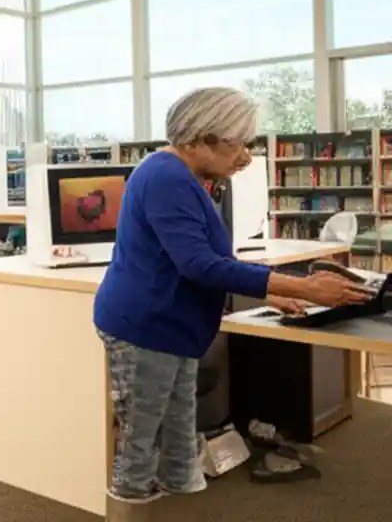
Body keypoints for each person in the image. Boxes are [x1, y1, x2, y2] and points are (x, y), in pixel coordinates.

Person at [93, 87, 373, 504]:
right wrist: (302, 286)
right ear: (200, 139)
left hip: (170, 328)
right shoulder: (166, 177)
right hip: (145, 327)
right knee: (142, 436)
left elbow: (204, 258)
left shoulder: (186, 177)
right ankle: (134, 505)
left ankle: (179, 496)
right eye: (236, 144)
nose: (244, 157)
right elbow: (198, 265)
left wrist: (270, 295)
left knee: (176, 424)